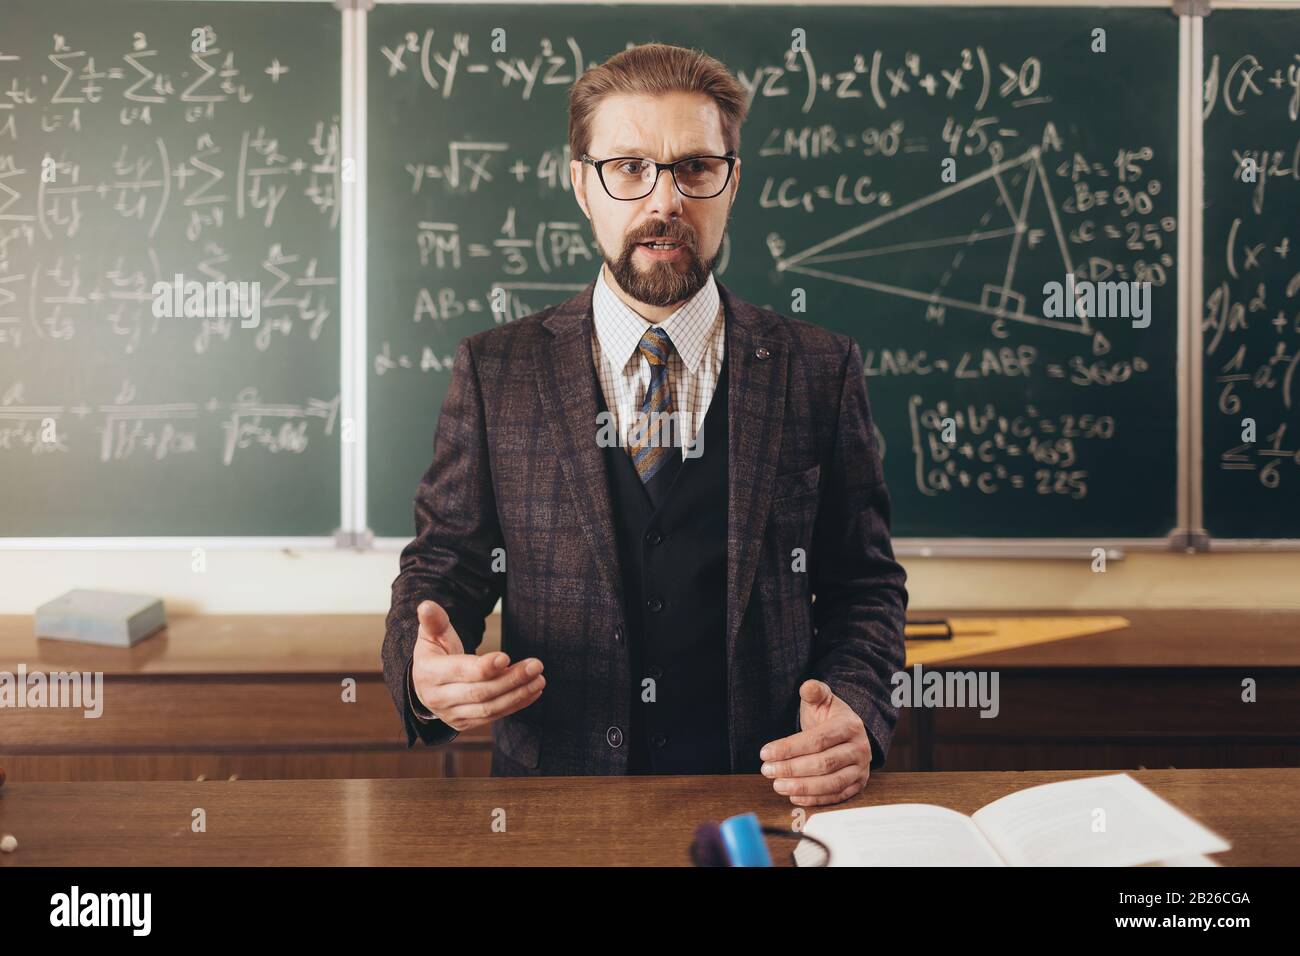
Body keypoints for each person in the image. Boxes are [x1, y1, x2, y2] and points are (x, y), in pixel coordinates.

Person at [382, 42, 907, 808]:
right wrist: (426, 672)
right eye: (628, 168)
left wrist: (858, 707)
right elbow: (446, 569)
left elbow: (864, 585)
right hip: (554, 806)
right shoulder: (497, 370)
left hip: (766, 800)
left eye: (694, 167)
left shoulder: (818, 371)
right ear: (581, 186)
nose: (665, 202)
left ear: (732, 181)